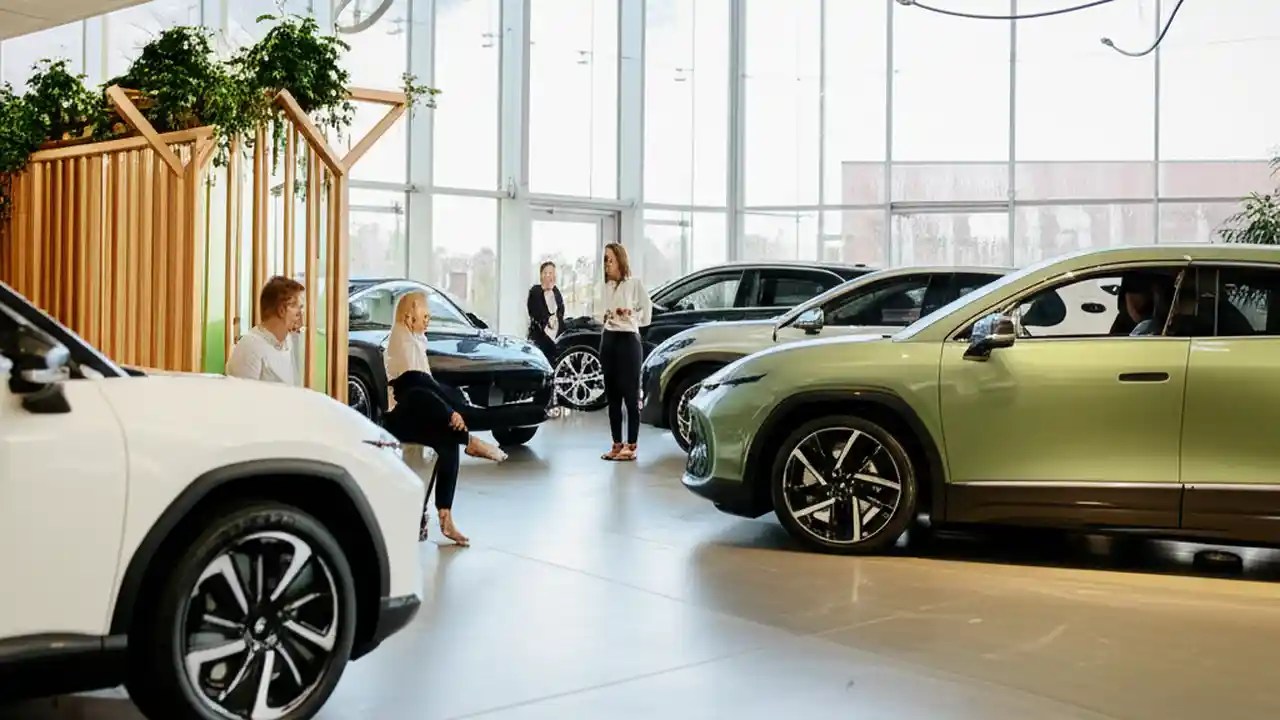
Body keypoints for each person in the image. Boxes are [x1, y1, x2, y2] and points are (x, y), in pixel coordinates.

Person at [382, 291, 506, 545]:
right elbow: (416, 392)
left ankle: (445, 518)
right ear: (408, 317)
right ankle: (470, 439)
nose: (428, 320)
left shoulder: (417, 340)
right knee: (420, 386)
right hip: (402, 417)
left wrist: (450, 411)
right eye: (424, 315)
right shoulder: (401, 342)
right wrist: (450, 411)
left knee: (449, 440)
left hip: (422, 412)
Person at [596, 242, 651, 462]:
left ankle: (632, 445)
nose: (607, 263)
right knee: (612, 395)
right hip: (609, 339)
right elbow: (597, 312)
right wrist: (605, 315)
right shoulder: (605, 286)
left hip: (629, 339)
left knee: (630, 394)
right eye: (605, 259)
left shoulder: (634, 284)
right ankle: (616, 444)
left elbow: (646, 310)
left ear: (620, 259)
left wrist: (632, 316)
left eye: (610, 258)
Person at [226, 275, 304, 385]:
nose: (301, 316)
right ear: (282, 310)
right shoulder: (250, 347)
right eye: (298, 308)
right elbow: (241, 397)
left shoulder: (291, 342)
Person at [527, 261, 565, 362]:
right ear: (541, 276)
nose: (548, 276)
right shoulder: (535, 291)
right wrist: (548, 320)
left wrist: (557, 319)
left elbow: (561, 309)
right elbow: (534, 312)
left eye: (551, 273)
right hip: (540, 335)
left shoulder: (556, 291)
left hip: (557, 335)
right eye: (546, 273)